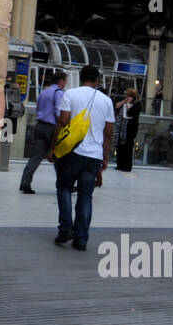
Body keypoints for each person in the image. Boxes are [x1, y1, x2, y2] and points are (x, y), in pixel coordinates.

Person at [50, 63, 115, 250]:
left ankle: (65, 228)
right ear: (97, 80)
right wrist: (105, 157)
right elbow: (108, 133)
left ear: (81, 77)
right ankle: (81, 239)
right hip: (94, 156)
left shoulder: (70, 94)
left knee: (63, 187)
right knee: (86, 197)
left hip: (72, 152)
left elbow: (62, 122)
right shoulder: (106, 101)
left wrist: (53, 148)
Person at [19, 71, 67, 194]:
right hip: (52, 128)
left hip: (39, 126)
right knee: (59, 157)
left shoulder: (44, 92)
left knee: (35, 158)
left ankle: (25, 183)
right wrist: (62, 126)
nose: (65, 83)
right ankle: (65, 184)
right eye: (65, 81)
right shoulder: (58, 92)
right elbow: (58, 111)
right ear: (61, 81)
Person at [114, 87, 141, 171]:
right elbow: (117, 107)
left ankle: (127, 166)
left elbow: (131, 113)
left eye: (130, 96)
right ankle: (120, 165)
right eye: (127, 96)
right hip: (121, 129)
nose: (128, 98)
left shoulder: (137, 104)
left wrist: (129, 106)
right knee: (120, 147)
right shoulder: (125, 103)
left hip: (129, 129)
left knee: (128, 148)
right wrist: (124, 101)